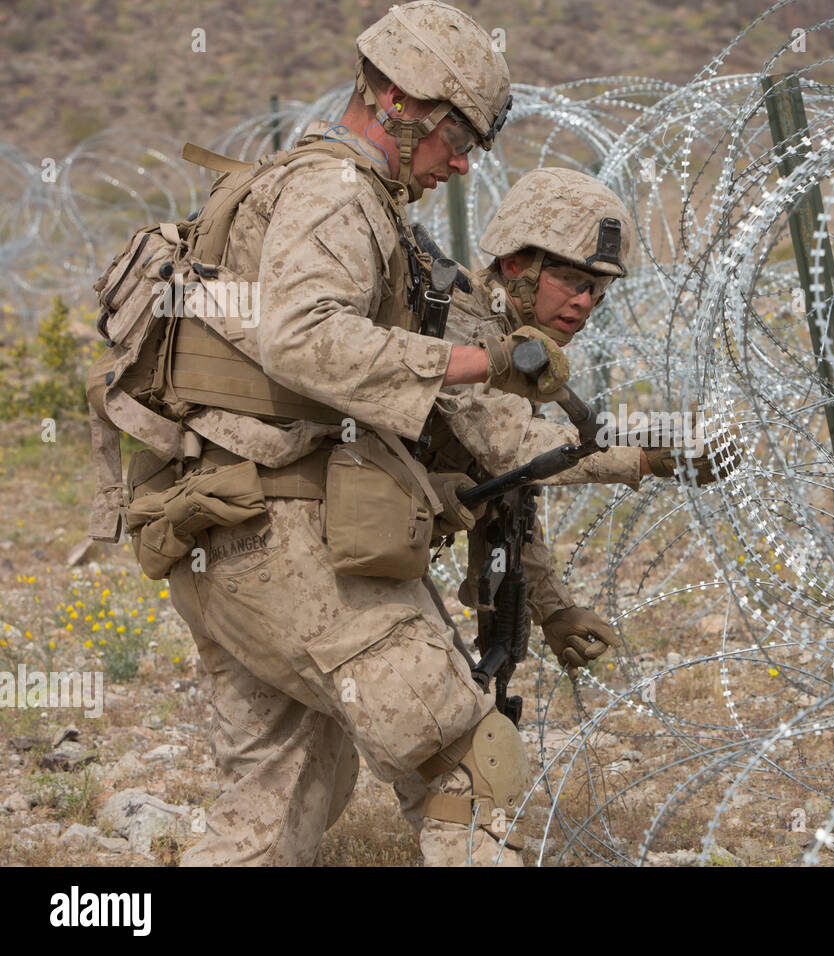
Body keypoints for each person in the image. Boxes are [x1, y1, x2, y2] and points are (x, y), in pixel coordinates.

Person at [148, 1, 567, 866]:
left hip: (226, 536)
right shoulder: (337, 192)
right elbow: (301, 337)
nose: (465, 159)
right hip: (291, 542)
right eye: (459, 133)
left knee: (274, 809)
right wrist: (476, 366)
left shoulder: (322, 186)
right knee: (467, 764)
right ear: (401, 104)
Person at [388, 168, 739, 864]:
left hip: (326, 552)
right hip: (323, 559)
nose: (584, 304)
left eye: (598, 293)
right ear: (517, 264)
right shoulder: (463, 328)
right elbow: (517, 450)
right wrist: (651, 450)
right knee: (469, 752)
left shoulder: (506, 336)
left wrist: (550, 609)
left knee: (288, 780)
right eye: (572, 282)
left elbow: (508, 487)